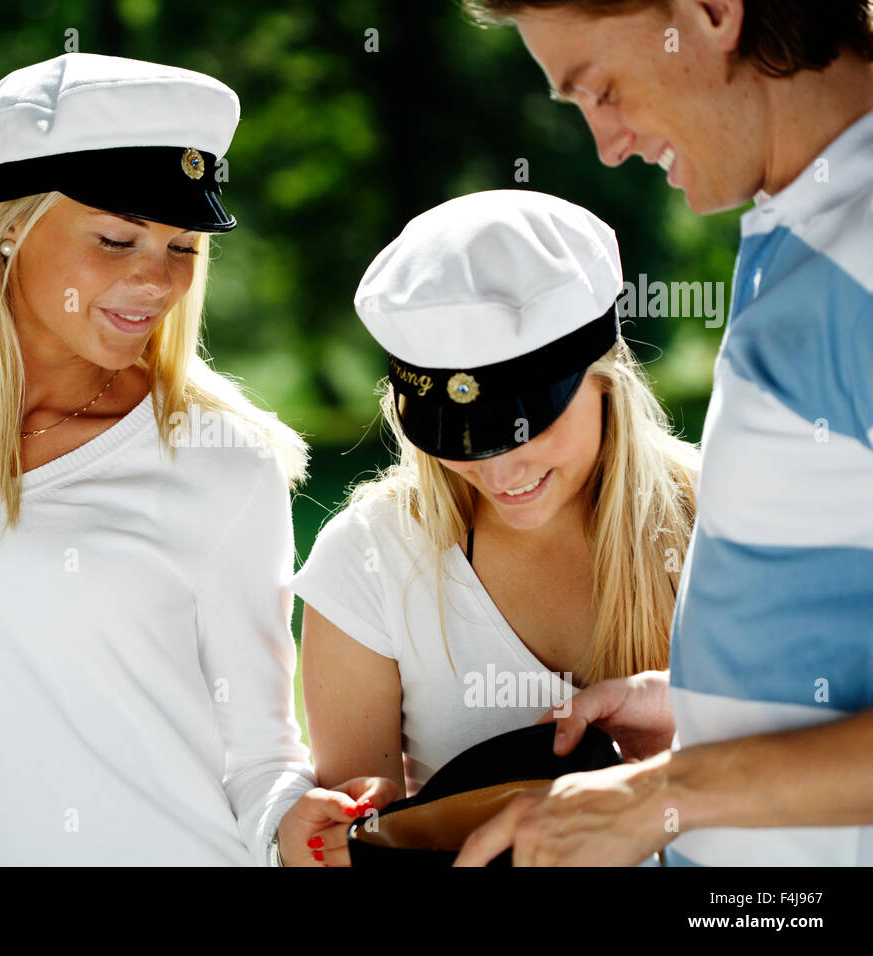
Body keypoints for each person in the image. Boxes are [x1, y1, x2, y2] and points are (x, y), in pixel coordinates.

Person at [0, 52, 392, 867]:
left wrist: (293, 817)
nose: (156, 280)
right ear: (9, 235)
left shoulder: (223, 458)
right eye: (117, 239)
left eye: (182, 247)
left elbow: (258, 752)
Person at [453, 0, 873, 866]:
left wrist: (665, 795)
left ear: (712, 11)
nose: (608, 144)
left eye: (601, 89)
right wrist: (709, 707)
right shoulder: (803, 225)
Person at [292, 190, 699, 864]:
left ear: (605, 377)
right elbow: (369, 838)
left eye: (530, 424)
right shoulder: (369, 560)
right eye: (462, 438)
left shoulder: (719, 520)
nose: (501, 470)